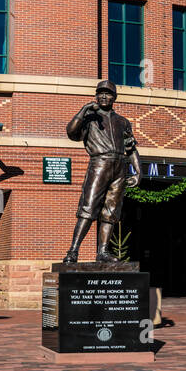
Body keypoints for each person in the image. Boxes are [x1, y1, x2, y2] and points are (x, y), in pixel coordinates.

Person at [62, 79, 141, 263]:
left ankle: (103, 252)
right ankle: (73, 251)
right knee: (88, 208)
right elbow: (71, 132)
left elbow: (131, 148)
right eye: (100, 93)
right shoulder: (89, 118)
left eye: (108, 93)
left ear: (114, 97)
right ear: (96, 96)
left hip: (120, 167)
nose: (103, 96)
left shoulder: (122, 121)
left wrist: (138, 171)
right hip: (100, 163)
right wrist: (83, 111)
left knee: (111, 212)